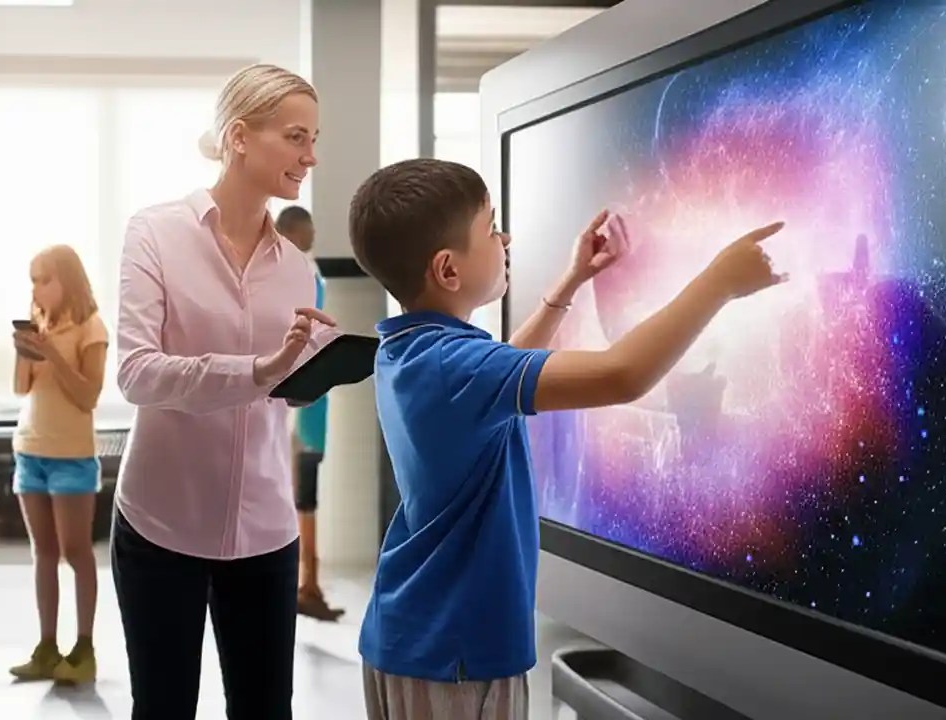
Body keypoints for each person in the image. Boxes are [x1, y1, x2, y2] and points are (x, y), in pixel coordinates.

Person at [349, 158, 786, 719]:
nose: (504, 238)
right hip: (456, 655)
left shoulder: (411, 349)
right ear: (448, 270)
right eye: (490, 229)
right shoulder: (457, 368)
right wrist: (720, 279)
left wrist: (573, 280)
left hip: (411, 636)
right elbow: (622, 374)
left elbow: (503, 372)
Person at [113, 63, 336, 720]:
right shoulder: (153, 232)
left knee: (267, 710)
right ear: (240, 136)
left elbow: (285, 393)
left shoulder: (297, 268)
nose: (311, 156)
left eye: (313, 138)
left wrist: (310, 368)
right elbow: (136, 373)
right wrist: (258, 370)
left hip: (267, 528)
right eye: (297, 137)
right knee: (163, 707)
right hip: (161, 522)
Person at [8, 245, 108, 684]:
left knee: (75, 551)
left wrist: (52, 355)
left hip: (72, 456)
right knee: (43, 553)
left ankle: (84, 648)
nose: (37, 288)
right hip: (30, 451)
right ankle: (46, 646)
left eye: (44, 279)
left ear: (67, 279)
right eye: (32, 280)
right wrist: (26, 351)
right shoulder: (42, 327)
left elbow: (88, 396)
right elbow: (20, 388)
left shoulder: (91, 329)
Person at [274, 205, 344, 622]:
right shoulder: (289, 274)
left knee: (307, 492)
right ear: (291, 231)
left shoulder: (306, 272)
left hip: (313, 394)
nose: (314, 234)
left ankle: (309, 583)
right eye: (308, 228)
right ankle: (304, 583)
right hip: (296, 398)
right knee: (301, 493)